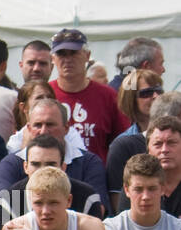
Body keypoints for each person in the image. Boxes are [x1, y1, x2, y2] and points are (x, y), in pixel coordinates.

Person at [0, 135, 106, 230]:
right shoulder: (8, 200)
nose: (42, 170)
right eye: (35, 164)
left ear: (63, 167)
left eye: (50, 164)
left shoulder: (87, 197)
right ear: (25, 167)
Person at [0, 99, 108, 201]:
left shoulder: (89, 163)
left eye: (50, 125)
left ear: (66, 128)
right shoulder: (10, 164)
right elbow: (4, 210)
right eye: (38, 125)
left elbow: (97, 208)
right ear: (29, 129)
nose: (44, 131)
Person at [49, 28, 131, 164]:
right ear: (53, 59)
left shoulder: (108, 96)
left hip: (95, 178)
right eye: (61, 54)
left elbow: (123, 142)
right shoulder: (46, 94)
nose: (68, 59)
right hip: (51, 176)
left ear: (87, 55)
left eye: (74, 53)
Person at [145, 116, 181, 217]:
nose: (164, 150)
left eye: (171, 143)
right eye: (158, 144)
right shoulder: (137, 187)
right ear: (148, 150)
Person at [117, 68, 163, 139]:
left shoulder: (177, 131)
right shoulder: (124, 144)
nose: (156, 96)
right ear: (131, 100)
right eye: (147, 92)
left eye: (159, 90)